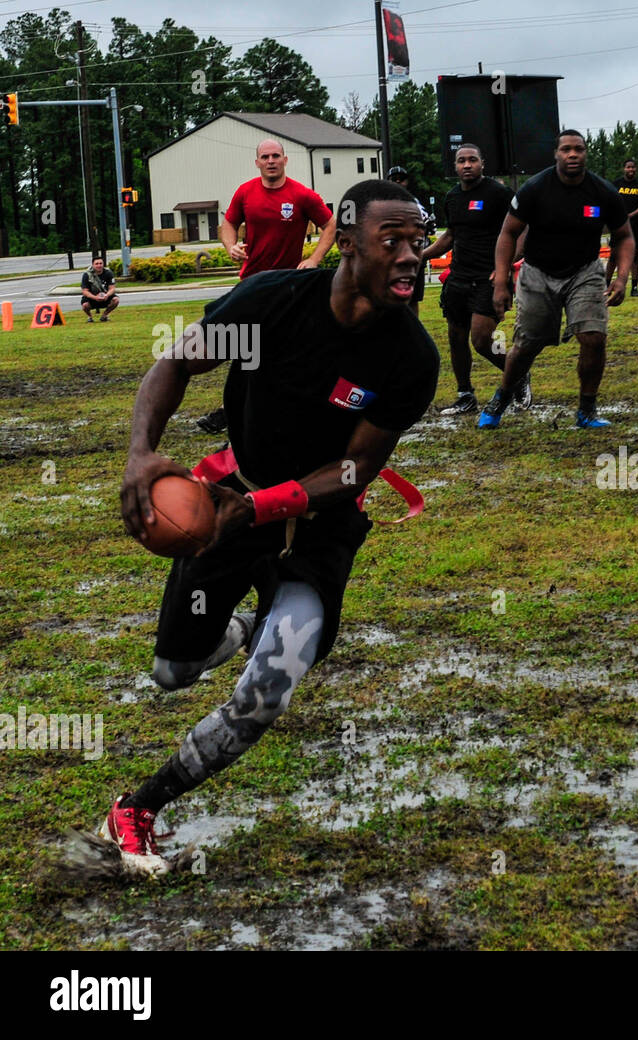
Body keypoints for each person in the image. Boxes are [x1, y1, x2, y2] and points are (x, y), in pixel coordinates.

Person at [103, 179, 439, 876]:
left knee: (267, 687)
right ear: (346, 244)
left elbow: (355, 471)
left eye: (418, 241)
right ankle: (239, 632)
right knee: (173, 672)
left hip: (316, 526)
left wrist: (258, 509)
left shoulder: (410, 355)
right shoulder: (271, 303)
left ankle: (139, 808)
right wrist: (140, 453)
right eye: (394, 242)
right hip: (232, 497)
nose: (412, 256)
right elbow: (175, 362)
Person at [480, 130, 634, 430]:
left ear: (586, 153)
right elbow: (508, 233)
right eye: (566, 149)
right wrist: (501, 280)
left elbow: (624, 236)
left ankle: (586, 409)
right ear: (556, 154)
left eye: (578, 149)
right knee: (526, 347)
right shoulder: (535, 188)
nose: (573, 155)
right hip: (538, 272)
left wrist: (621, 278)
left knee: (593, 337)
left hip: (585, 271)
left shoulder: (602, 192)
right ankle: (502, 396)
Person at [198, 139, 339, 434]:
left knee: (283, 348)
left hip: (289, 286)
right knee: (246, 350)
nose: (271, 160)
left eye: (276, 156)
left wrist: (314, 259)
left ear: (285, 160)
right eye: (266, 156)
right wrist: (230, 245)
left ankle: (259, 409)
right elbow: (227, 224)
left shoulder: (301, 195)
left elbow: (331, 225)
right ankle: (234, 409)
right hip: (251, 285)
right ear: (258, 162)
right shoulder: (246, 192)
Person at [423, 143, 517, 415]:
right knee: (456, 337)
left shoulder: (499, 194)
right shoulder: (452, 197)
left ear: (482, 163)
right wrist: (421, 256)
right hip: (458, 277)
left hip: (488, 276)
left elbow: (521, 231)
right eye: (461, 160)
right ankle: (465, 395)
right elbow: (450, 236)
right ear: (454, 166)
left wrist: (506, 268)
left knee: (481, 340)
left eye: (472, 160)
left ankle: (518, 375)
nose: (466, 165)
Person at [387, 165, 433, 314]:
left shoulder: (414, 203)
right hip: (391, 257)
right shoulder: (381, 203)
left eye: (402, 180)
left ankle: (413, 331)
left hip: (413, 256)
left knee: (412, 298)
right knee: (390, 296)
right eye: (394, 180)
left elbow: (430, 226)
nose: (398, 183)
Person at [608, 158, 638, 296]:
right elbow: (610, 201)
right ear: (624, 169)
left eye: (633, 167)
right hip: (619, 224)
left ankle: (634, 287)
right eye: (628, 167)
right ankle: (606, 285)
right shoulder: (616, 184)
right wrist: (618, 216)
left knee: (634, 257)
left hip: (635, 225)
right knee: (613, 256)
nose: (630, 170)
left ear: (635, 169)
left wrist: (631, 215)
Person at [80, 256, 119, 322]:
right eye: (97, 264)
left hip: (105, 296)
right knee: (85, 305)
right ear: (93, 265)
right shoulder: (87, 275)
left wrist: (107, 295)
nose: (99, 265)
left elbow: (112, 288)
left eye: (101, 263)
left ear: (103, 264)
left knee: (116, 300)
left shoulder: (108, 273)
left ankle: (104, 316)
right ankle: (90, 317)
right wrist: (95, 297)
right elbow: (85, 291)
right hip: (92, 297)